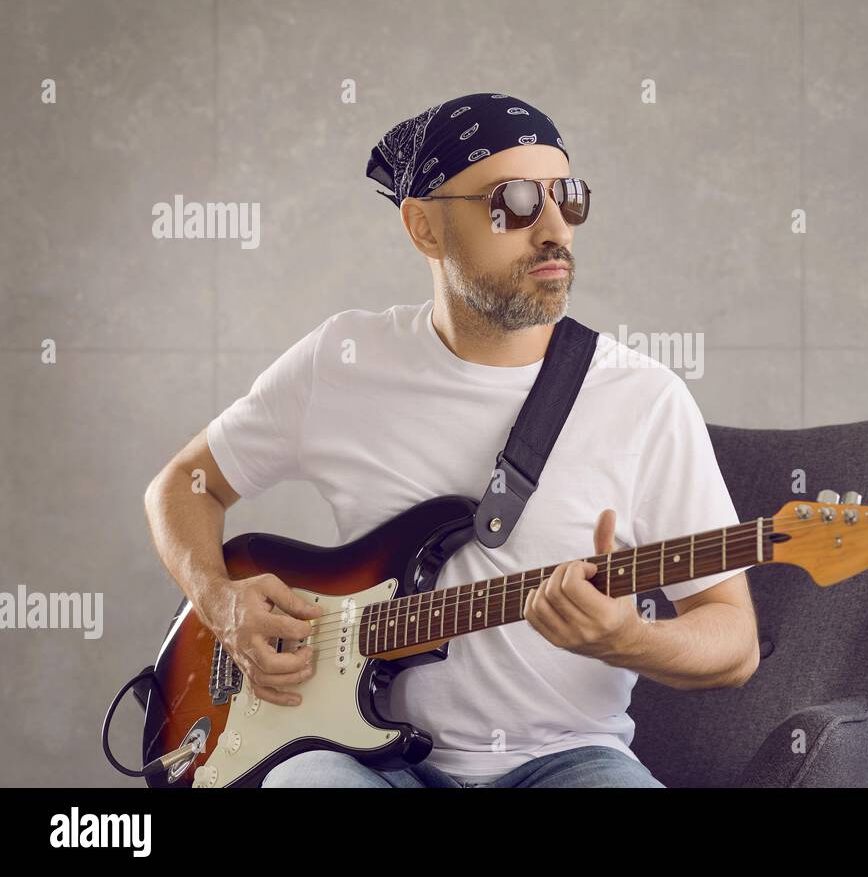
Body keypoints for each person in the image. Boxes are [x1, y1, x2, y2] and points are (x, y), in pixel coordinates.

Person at [142, 93, 760, 788]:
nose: (554, 228)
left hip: (569, 760)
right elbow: (181, 485)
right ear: (424, 228)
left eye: (568, 197)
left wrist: (630, 640)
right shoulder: (342, 360)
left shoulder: (642, 398)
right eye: (515, 202)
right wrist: (219, 601)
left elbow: (733, 640)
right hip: (356, 761)